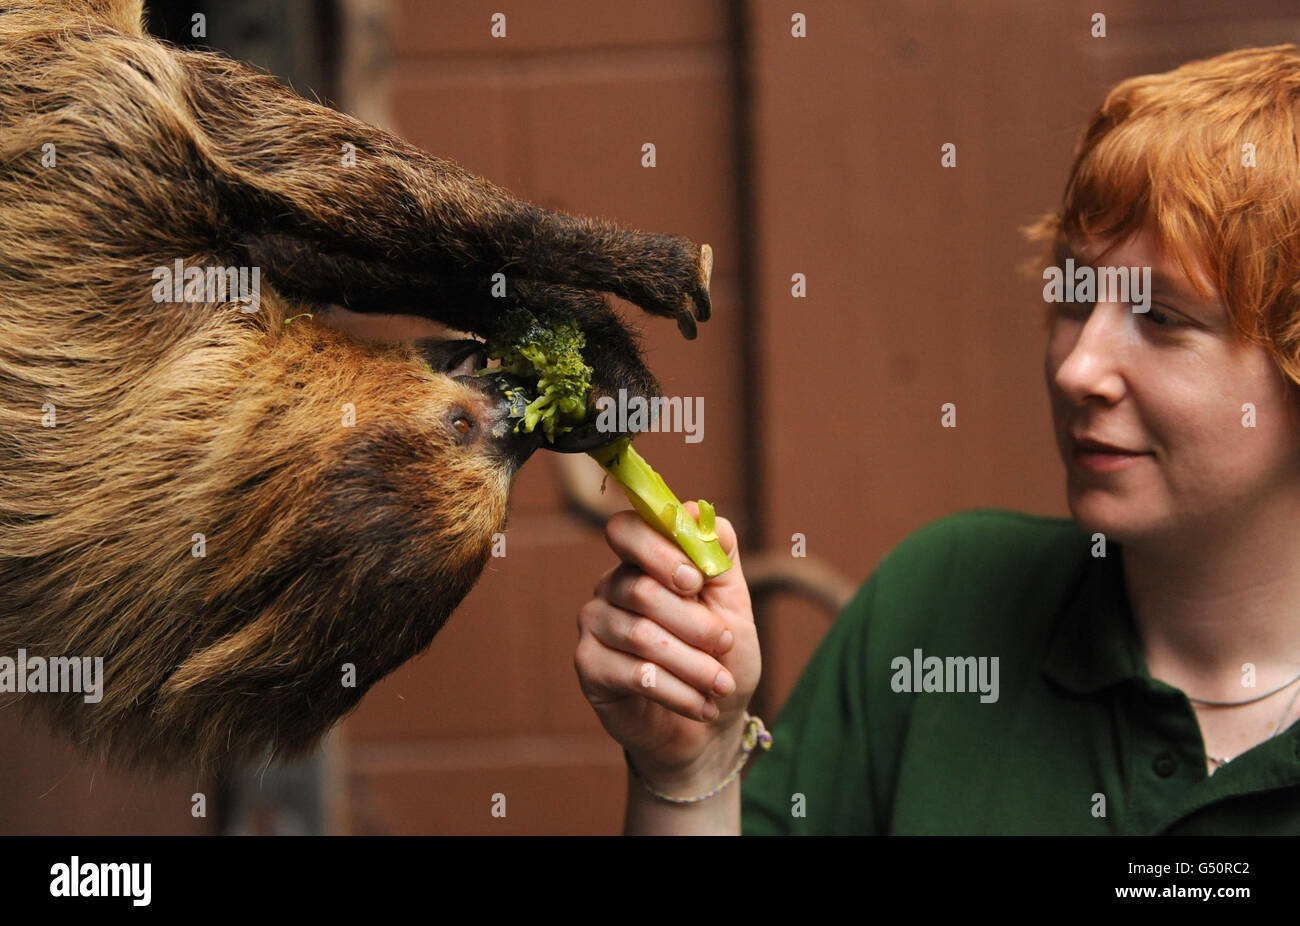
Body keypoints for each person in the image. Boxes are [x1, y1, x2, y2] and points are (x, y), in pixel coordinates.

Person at [573, 44, 1300, 834]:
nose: (1079, 367)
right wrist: (692, 768)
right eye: (1074, 295)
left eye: (1159, 317)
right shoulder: (945, 601)